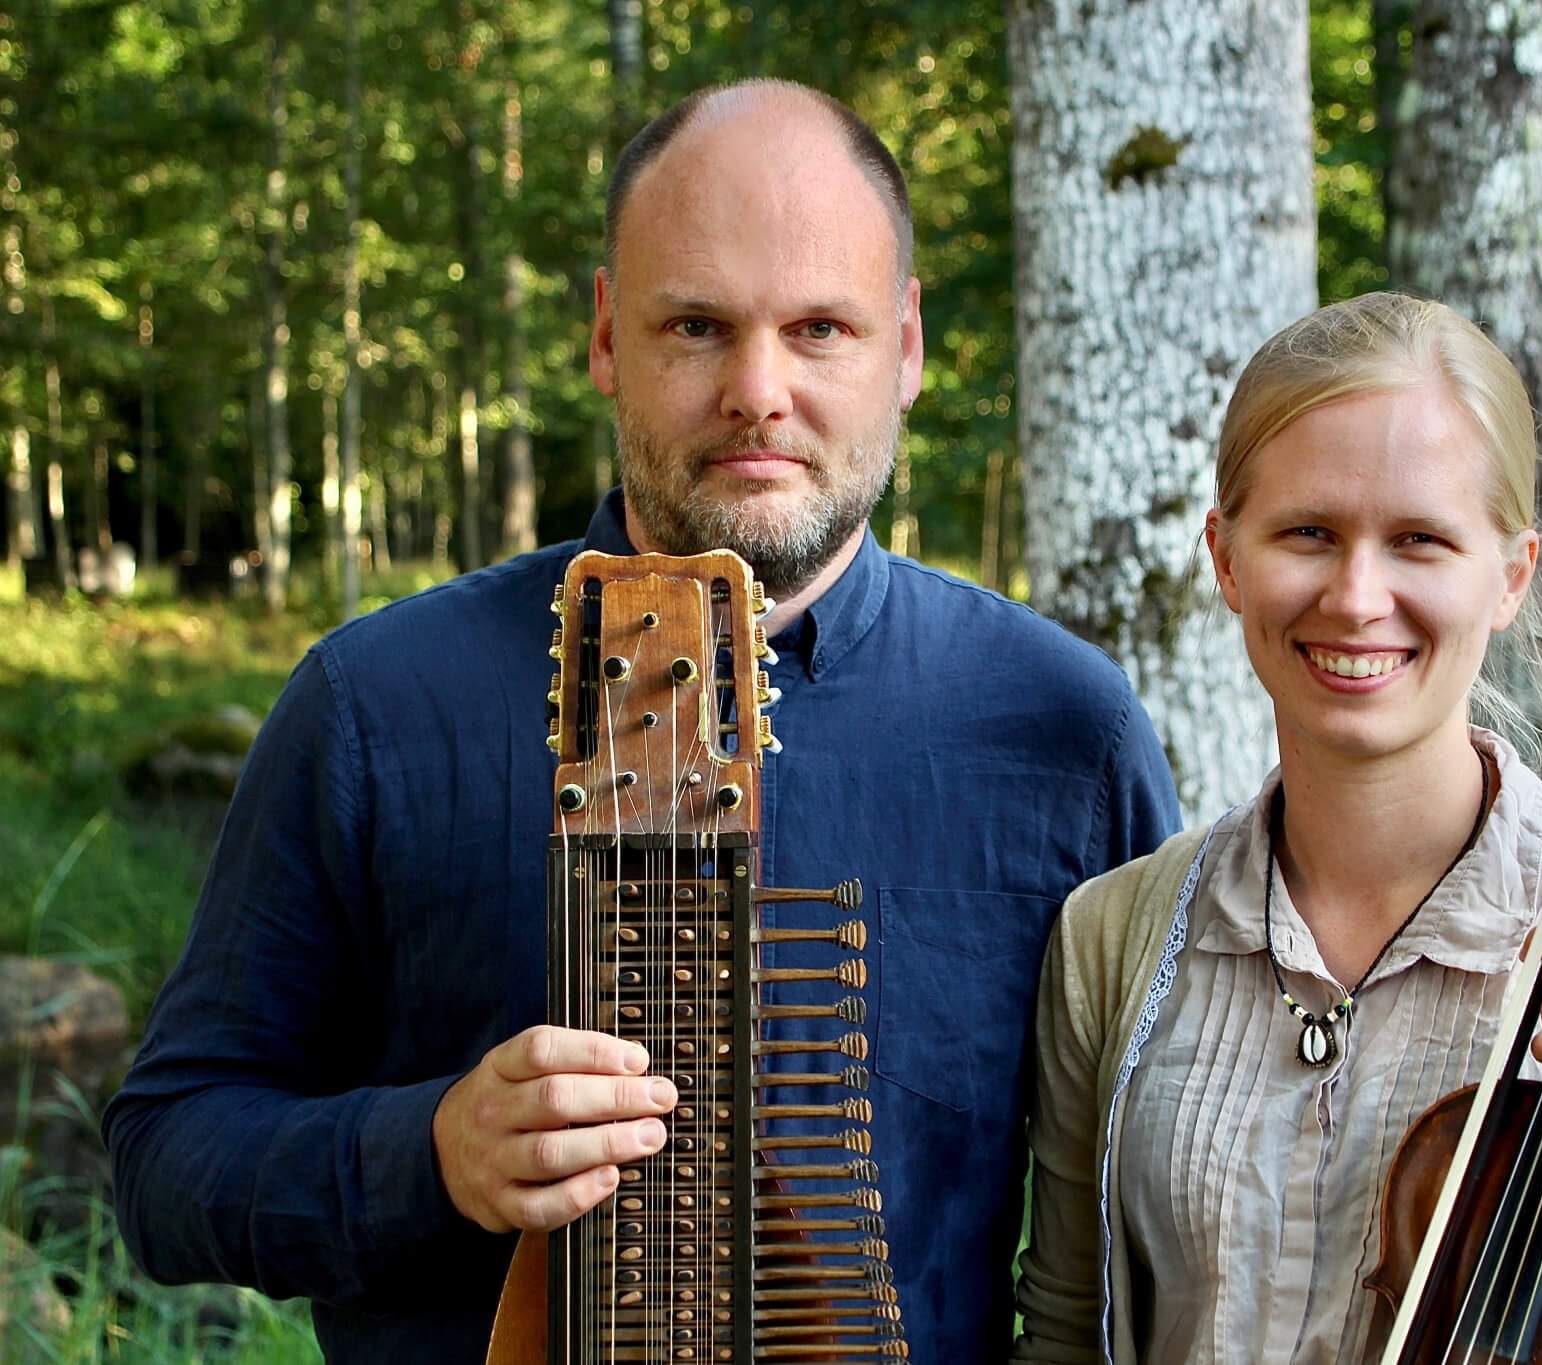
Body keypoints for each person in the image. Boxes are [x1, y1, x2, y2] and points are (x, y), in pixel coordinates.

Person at [104, 80, 1180, 1365]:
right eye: (696, 327)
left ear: (907, 348)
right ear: (609, 338)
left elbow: (1150, 1213)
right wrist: (432, 1151)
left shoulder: (1063, 729)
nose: (757, 391)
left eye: (820, 328)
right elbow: (165, 1162)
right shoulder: (376, 707)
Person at [1011, 293, 1542, 1363]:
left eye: (1418, 539)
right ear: (1226, 557)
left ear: (1508, 575)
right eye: (1307, 534)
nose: (1357, 595)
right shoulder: (1114, 937)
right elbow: (1060, 1332)